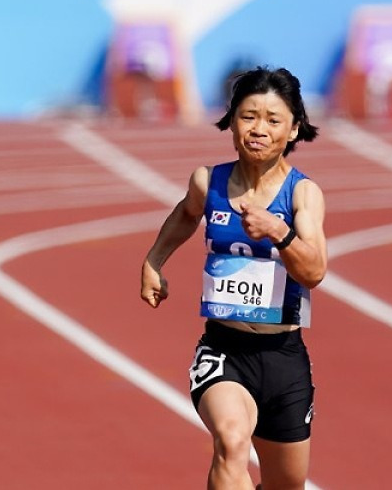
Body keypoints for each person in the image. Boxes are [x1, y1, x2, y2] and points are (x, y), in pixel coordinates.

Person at [140, 67, 327, 490]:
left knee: (287, 485)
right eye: (248, 116)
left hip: (283, 356)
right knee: (231, 441)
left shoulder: (302, 195)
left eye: (273, 120)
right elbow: (186, 214)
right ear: (231, 121)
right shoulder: (209, 182)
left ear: (294, 129)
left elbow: (314, 272)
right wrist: (154, 261)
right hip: (225, 349)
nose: (259, 129)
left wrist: (280, 233)